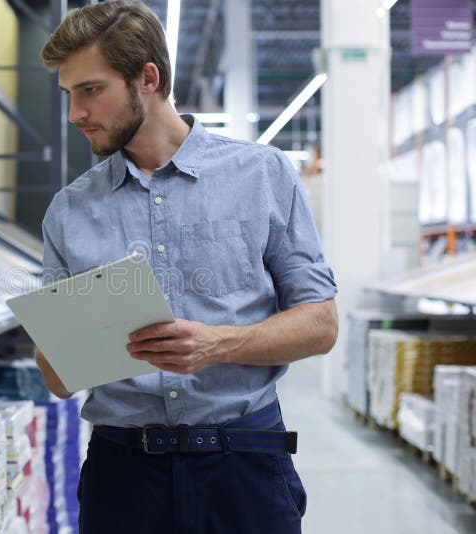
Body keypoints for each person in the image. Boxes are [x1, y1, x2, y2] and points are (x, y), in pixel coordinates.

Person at [35, 2, 338, 533]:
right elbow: (56, 378)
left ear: (146, 78)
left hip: (244, 467)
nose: (74, 114)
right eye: (69, 95)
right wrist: (73, 347)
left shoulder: (261, 176)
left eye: (90, 90)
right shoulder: (69, 210)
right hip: (122, 478)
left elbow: (320, 324)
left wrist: (218, 344)